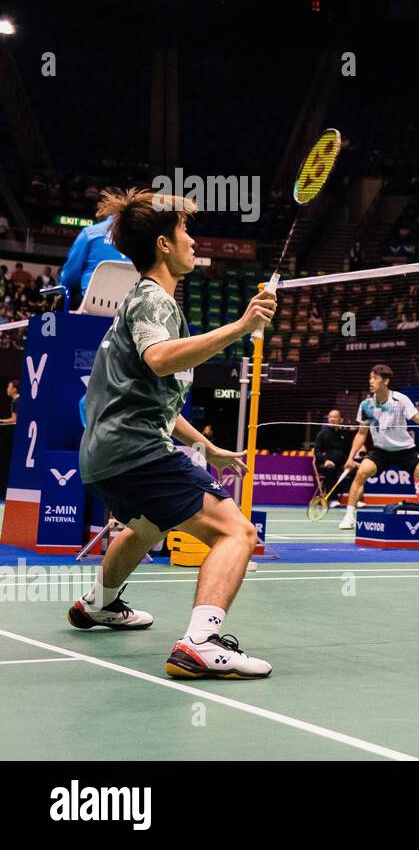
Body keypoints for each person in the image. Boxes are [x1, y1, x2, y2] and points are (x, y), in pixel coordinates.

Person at [68, 188, 278, 678]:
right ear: (163, 244)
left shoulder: (143, 305)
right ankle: (201, 641)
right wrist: (241, 326)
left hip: (103, 458)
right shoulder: (154, 302)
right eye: (185, 230)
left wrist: (206, 446)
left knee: (146, 525)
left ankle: (98, 604)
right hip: (137, 452)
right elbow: (160, 359)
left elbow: (153, 395)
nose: (192, 240)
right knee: (237, 532)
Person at [337, 365, 419, 530]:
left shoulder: (400, 400)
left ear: (386, 381)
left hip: (406, 451)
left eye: (375, 378)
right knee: (361, 474)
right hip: (381, 452)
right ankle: (349, 516)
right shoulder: (366, 405)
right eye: (370, 378)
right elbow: (361, 433)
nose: (371, 381)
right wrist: (351, 457)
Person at [59, 198, 133, 309]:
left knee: (62, 298)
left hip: (91, 304)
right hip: (127, 307)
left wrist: (61, 291)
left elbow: (69, 277)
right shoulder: (138, 238)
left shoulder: (90, 233)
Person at [313, 409, 351, 506]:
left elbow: (348, 451)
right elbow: (317, 451)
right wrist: (325, 461)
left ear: (340, 419)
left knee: (355, 470)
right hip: (325, 464)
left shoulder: (344, 434)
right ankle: (332, 499)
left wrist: (351, 461)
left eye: (335, 417)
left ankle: (356, 499)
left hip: (341, 464)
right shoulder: (322, 433)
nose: (332, 419)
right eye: (330, 417)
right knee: (331, 469)